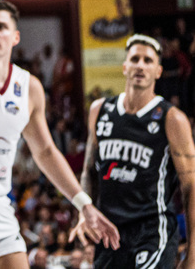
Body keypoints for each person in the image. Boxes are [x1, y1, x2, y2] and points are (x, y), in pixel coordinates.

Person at [0, 0, 119, 269]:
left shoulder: (29, 88)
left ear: (15, 36)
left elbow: (46, 151)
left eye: (1, 26)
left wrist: (84, 204)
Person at [74, 34, 195, 269]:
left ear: (158, 71)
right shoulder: (100, 110)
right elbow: (89, 170)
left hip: (152, 230)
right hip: (110, 231)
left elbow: (191, 186)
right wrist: (83, 211)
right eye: (135, 59)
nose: (140, 65)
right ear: (125, 67)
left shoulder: (172, 118)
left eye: (148, 61)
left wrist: (192, 253)